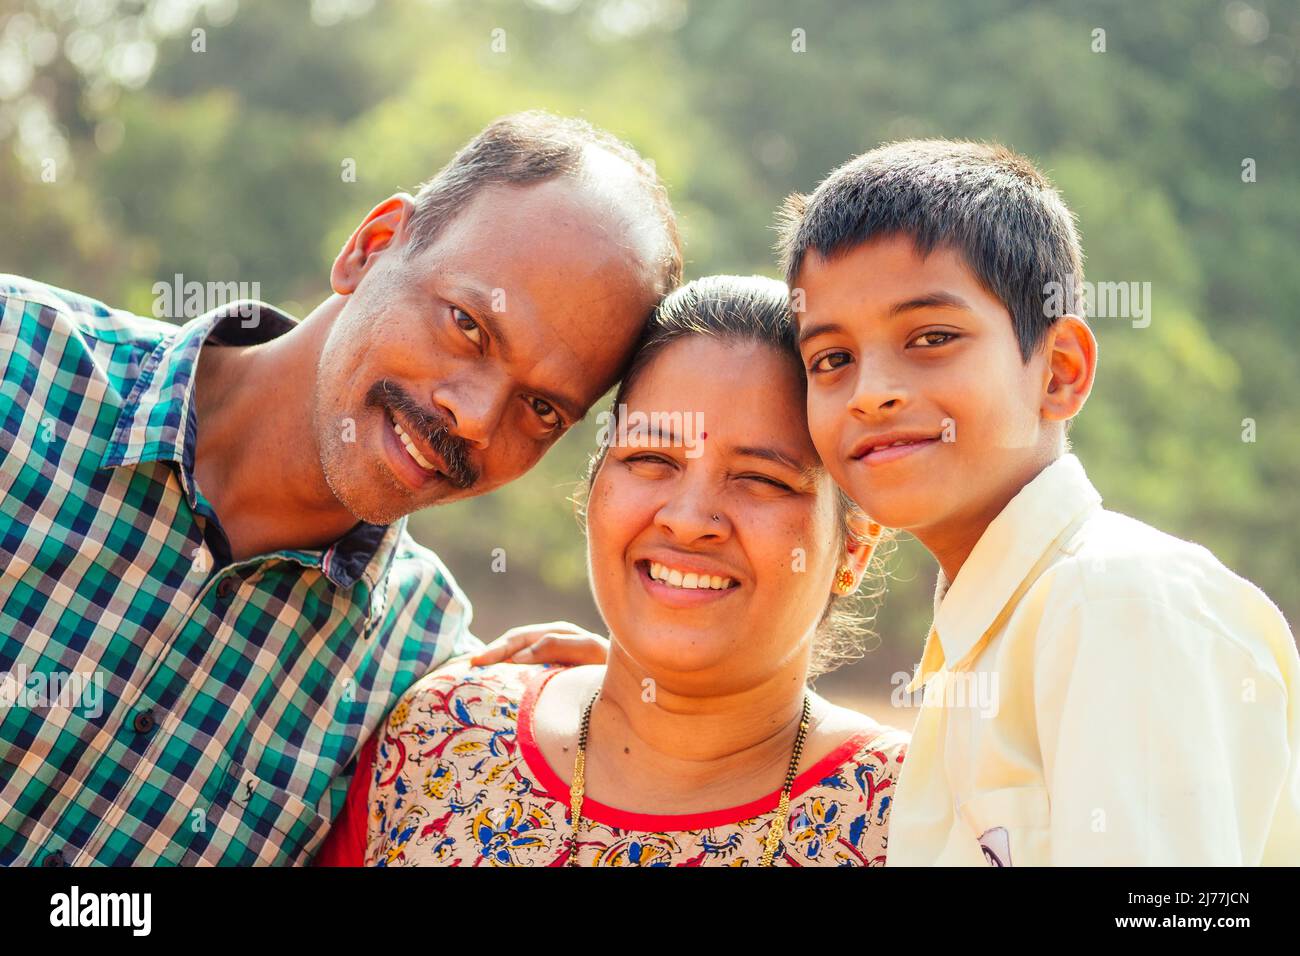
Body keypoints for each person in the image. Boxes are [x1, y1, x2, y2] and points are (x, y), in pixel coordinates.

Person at [0, 110, 681, 866]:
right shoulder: (15, 368)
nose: (477, 419)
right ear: (371, 246)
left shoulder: (422, 677)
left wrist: (603, 734)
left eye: (543, 408)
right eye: (467, 326)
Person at [777, 139, 1300, 865]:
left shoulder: (1117, 600)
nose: (871, 393)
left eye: (931, 337)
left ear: (1059, 372)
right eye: (831, 359)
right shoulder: (982, 641)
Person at [314, 275, 908, 867]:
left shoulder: (917, 817)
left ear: (854, 548)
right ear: (593, 490)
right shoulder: (443, 735)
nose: (688, 519)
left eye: (762, 479)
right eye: (650, 458)